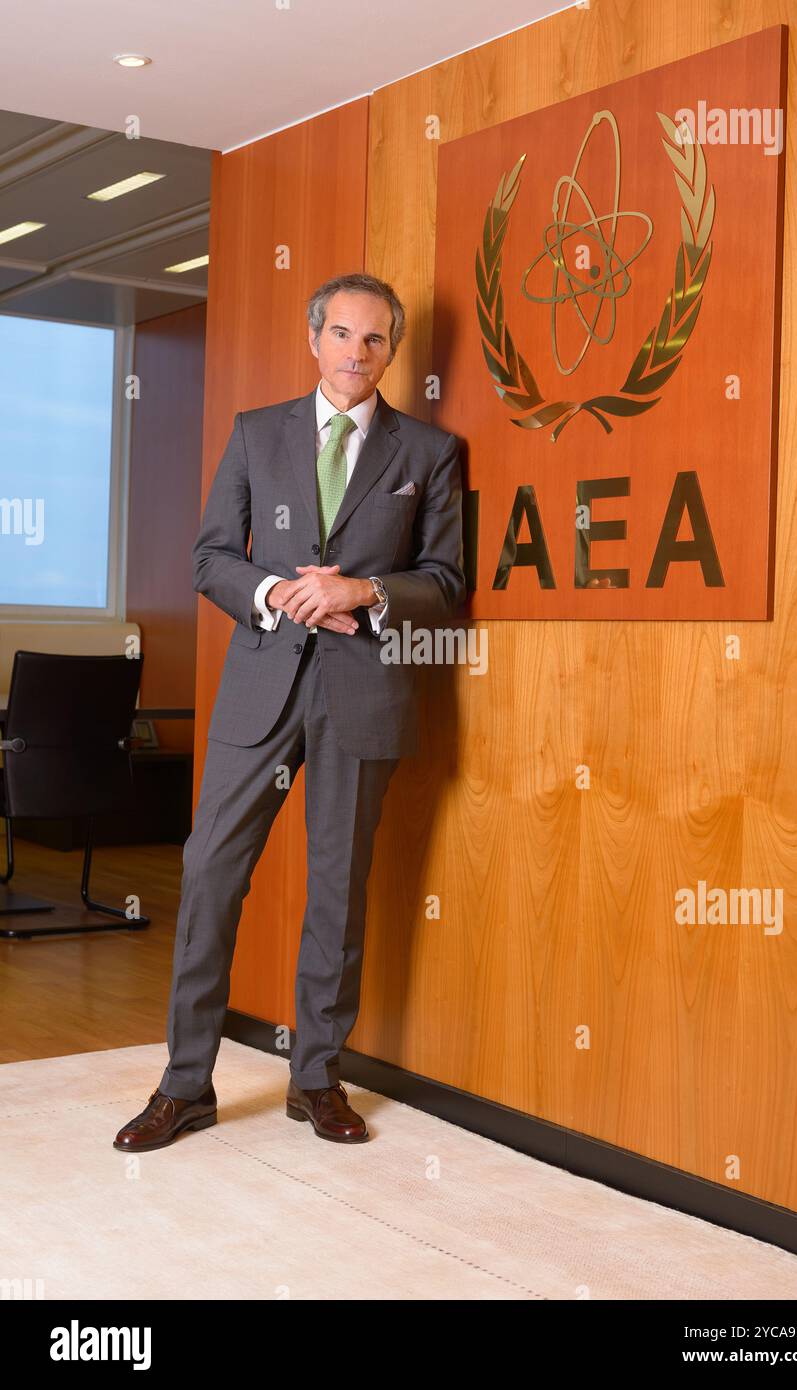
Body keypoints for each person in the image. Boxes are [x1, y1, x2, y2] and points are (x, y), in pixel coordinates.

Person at [114, 271, 465, 1150]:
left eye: (374, 339)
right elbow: (210, 558)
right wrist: (279, 591)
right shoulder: (254, 434)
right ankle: (185, 1084)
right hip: (260, 689)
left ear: (390, 349)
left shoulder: (429, 453)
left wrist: (363, 589)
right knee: (208, 876)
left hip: (364, 694)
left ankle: (316, 1078)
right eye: (341, 335)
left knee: (337, 892)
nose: (356, 353)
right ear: (313, 340)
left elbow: (447, 582)